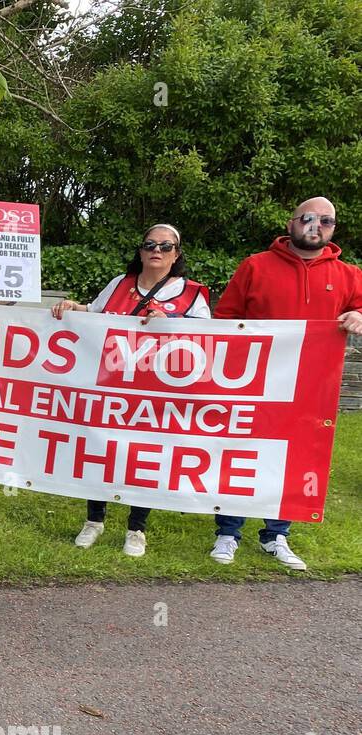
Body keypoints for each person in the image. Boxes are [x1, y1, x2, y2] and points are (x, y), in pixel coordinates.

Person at [209, 196, 362, 570]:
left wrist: (358, 314)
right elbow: (225, 318)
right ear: (291, 223)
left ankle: (276, 535)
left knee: (295, 460)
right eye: (308, 218)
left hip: (312, 389)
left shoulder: (348, 275)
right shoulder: (255, 266)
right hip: (253, 384)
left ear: (333, 229)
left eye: (326, 221)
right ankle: (228, 532)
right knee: (240, 457)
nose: (316, 225)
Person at [51, 224, 211, 557]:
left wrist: (170, 323)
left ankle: (136, 528)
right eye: (150, 244)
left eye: (166, 247)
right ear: (140, 251)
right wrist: (72, 308)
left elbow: (206, 338)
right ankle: (94, 519)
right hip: (111, 386)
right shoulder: (120, 285)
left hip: (156, 392)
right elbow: (93, 313)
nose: (157, 250)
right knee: (100, 449)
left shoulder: (193, 294)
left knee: (145, 456)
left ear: (176, 255)